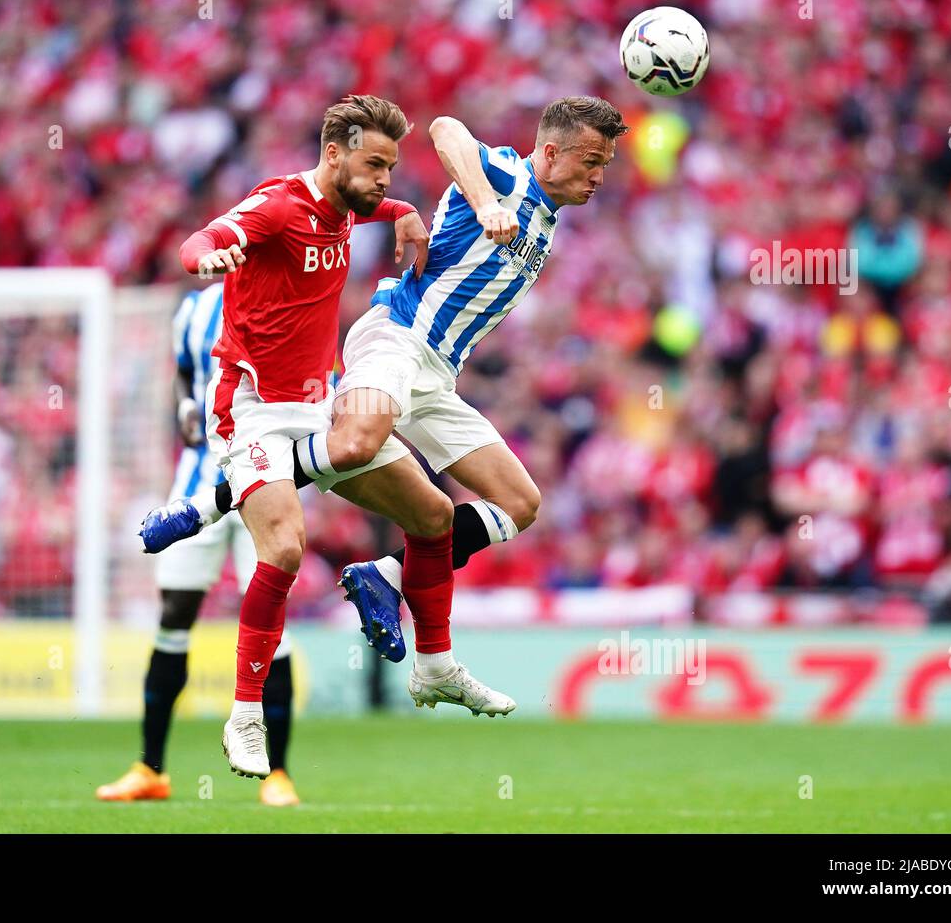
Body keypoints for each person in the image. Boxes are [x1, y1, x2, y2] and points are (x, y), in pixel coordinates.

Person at [144, 97, 627, 707]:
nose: (599, 176)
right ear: (551, 152)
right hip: (396, 339)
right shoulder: (507, 175)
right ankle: (209, 505)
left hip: (439, 375)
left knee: (520, 502)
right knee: (354, 444)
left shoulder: (548, 223)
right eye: (590, 160)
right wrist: (484, 203)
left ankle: (394, 587)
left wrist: (404, 212)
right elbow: (448, 128)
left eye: (605, 164)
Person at [168, 94, 514, 780]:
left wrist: (404, 212)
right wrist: (208, 259)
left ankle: (436, 667)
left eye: (391, 167)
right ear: (334, 154)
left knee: (434, 514)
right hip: (254, 407)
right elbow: (199, 242)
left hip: (319, 403)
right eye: (375, 165)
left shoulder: (347, 204)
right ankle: (244, 717)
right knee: (286, 548)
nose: (385, 179)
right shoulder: (276, 205)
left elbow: (367, 207)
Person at [97, 282, 299, 805]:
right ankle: (151, 768)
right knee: (174, 613)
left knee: (271, 611)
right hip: (197, 482)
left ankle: (278, 774)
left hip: (264, 480)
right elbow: (186, 372)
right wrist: (187, 404)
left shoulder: (294, 297)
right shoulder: (197, 308)